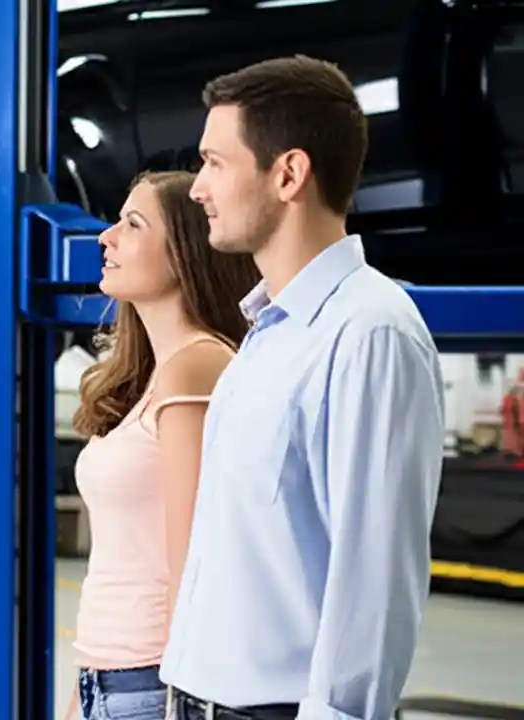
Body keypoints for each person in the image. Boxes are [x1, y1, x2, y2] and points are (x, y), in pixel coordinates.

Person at [159, 55, 446, 720]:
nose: (198, 188)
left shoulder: (370, 333)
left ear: (288, 173)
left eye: (215, 162)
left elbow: (375, 580)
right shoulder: (271, 331)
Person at [64, 170, 260, 720]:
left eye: (132, 224)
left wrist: (183, 699)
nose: (106, 237)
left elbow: (192, 555)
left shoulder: (198, 365)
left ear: (184, 255)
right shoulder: (154, 374)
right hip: (110, 675)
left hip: (154, 680)